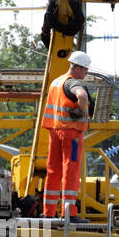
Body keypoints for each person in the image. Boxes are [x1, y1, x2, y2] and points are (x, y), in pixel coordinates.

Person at [41, 51, 93, 218]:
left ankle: (48, 213)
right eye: (85, 69)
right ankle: (69, 213)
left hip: (55, 131)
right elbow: (82, 95)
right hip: (70, 133)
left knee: (53, 171)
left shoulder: (56, 82)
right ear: (76, 68)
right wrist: (81, 109)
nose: (86, 72)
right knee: (71, 171)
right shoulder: (72, 82)